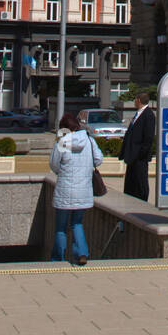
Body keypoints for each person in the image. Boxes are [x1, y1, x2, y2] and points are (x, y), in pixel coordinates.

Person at [49, 111, 103, 265]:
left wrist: (62, 172)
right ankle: (82, 253)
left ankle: (58, 258)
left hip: (64, 190)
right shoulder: (89, 140)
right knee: (77, 223)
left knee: (61, 227)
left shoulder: (62, 142)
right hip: (83, 190)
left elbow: (54, 164)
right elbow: (98, 159)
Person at [119, 92, 155, 202]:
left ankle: (142, 200)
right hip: (132, 155)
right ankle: (130, 199)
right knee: (131, 182)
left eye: (135, 100)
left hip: (139, 156)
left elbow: (148, 137)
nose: (134, 102)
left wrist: (141, 153)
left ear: (138, 100)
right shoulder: (138, 113)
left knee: (140, 181)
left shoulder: (148, 115)